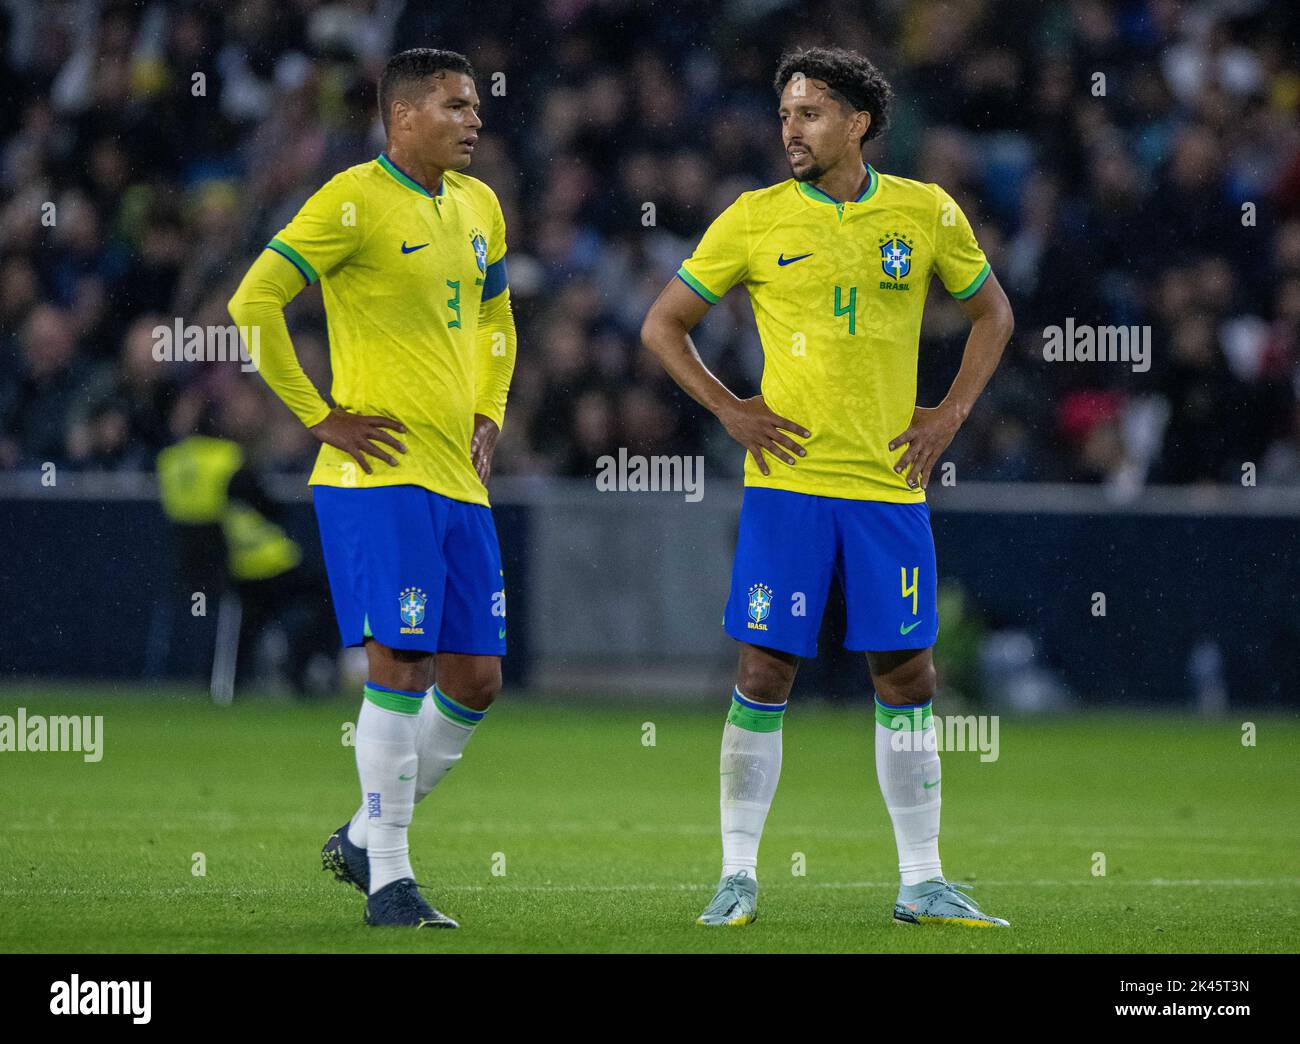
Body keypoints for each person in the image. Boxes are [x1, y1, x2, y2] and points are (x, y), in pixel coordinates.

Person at [641, 47, 1015, 928]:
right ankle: (737, 877)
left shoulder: (923, 211)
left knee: (907, 674)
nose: (791, 130)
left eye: (809, 114)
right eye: (784, 115)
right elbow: (665, 325)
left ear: (858, 122)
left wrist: (948, 414)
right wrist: (732, 409)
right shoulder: (753, 218)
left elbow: (993, 312)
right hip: (790, 486)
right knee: (765, 669)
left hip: (889, 487)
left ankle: (921, 880)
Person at [227, 48, 516, 928]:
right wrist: (319, 418)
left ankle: (361, 835)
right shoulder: (350, 199)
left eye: (475, 106)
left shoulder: (480, 207)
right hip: (376, 474)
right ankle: (389, 881)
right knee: (401, 663)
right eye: (456, 107)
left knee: (476, 678)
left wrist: (491, 410)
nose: (475, 120)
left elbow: (498, 318)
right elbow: (254, 301)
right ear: (403, 117)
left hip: (456, 476)